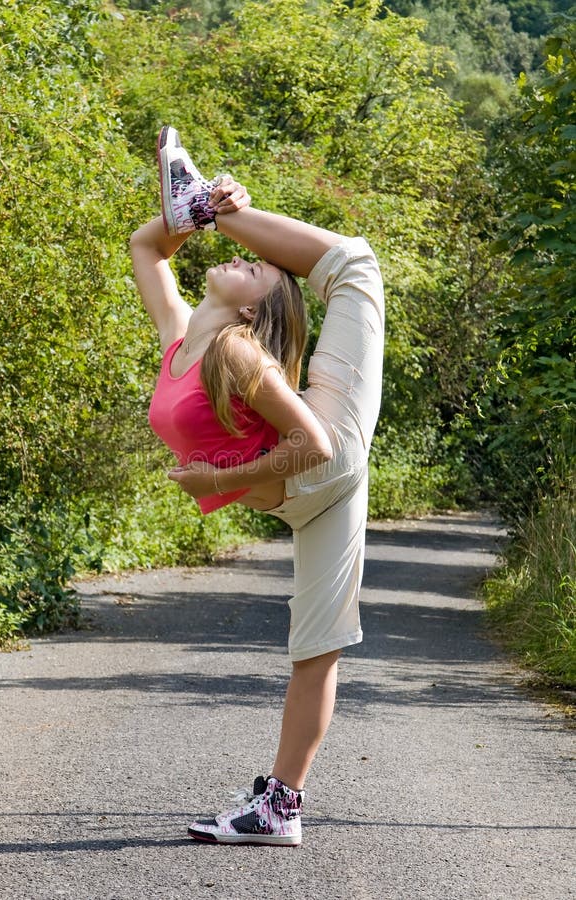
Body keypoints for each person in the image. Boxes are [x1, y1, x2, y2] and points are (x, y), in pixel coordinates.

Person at [129, 126, 385, 846]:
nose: (250, 260)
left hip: (318, 468)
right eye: (249, 255)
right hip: (307, 496)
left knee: (355, 264)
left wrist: (221, 479)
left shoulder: (241, 353)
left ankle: (203, 202)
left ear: (252, 312)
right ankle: (280, 810)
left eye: (259, 267)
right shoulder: (183, 339)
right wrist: (188, 218)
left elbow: (316, 440)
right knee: (316, 645)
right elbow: (146, 249)